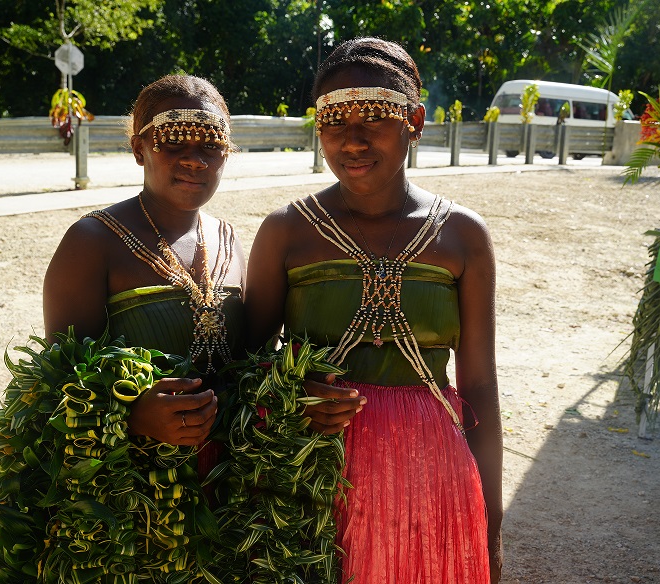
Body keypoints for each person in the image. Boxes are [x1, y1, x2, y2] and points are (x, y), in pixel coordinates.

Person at [245, 38, 503, 583]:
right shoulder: (287, 231)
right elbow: (240, 366)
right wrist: (292, 394)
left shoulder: (462, 236)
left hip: (432, 479)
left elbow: (479, 385)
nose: (353, 139)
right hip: (313, 473)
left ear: (416, 121)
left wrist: (491, 526)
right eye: (334, 120)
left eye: (376, 118)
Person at [43, 73, 246, 447]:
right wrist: (133, 417)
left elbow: (254, 357)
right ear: (139, 149)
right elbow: (56, 381)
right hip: (134, 489)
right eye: (173, 141)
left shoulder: (228, 240)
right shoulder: (92, 241)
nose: (195, 160)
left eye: (212, 143)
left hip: (229, 480)